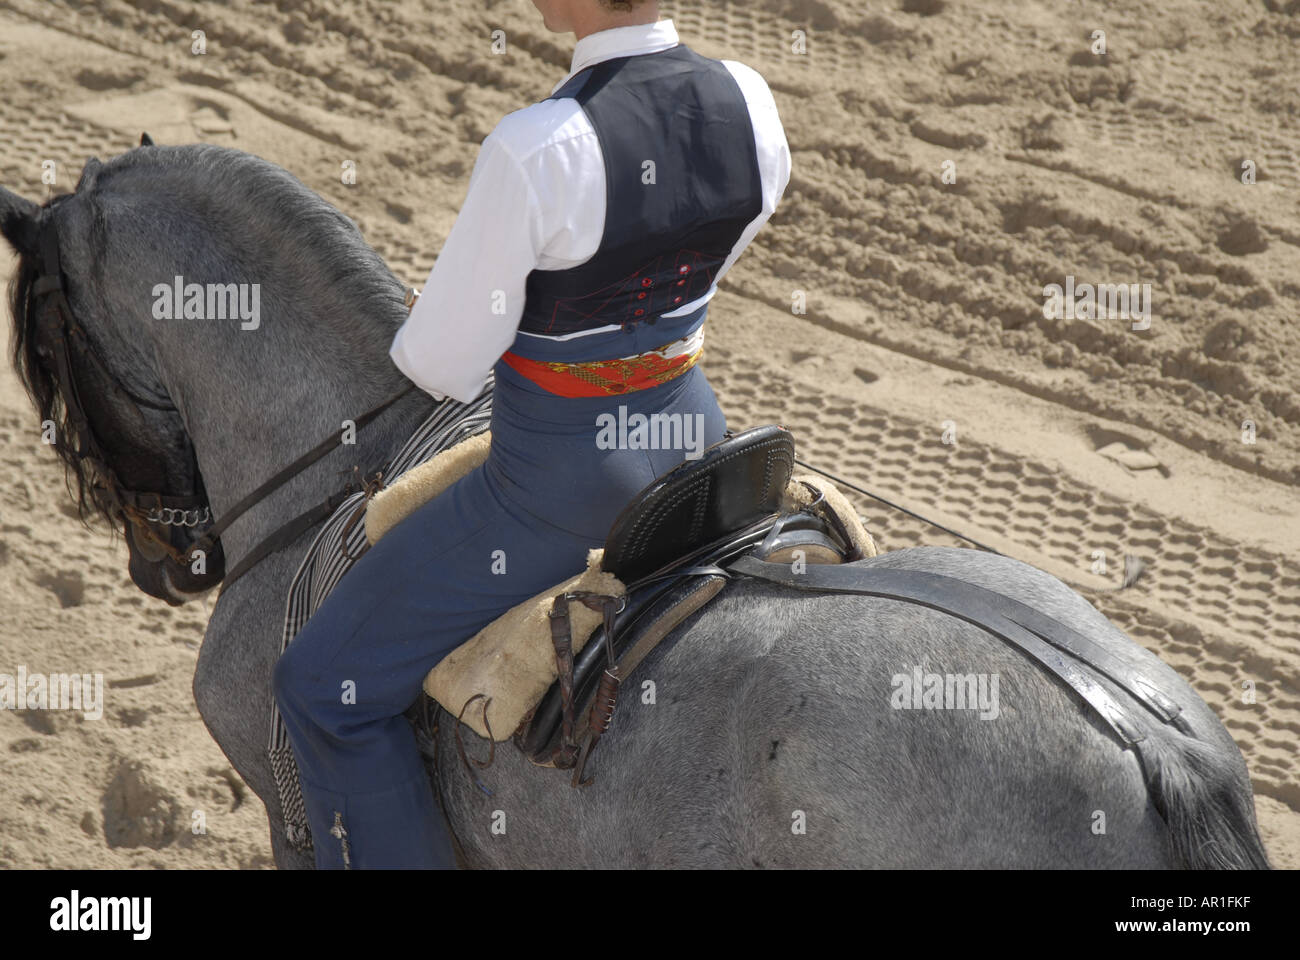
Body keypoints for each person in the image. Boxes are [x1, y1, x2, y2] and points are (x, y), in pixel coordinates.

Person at [272, 0, 792, 868]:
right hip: (699, 442)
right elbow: (707, 264)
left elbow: (443, 365)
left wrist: (452, 319)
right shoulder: (749, 99)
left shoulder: (537, 146)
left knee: (323, 688)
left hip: (557, 492)